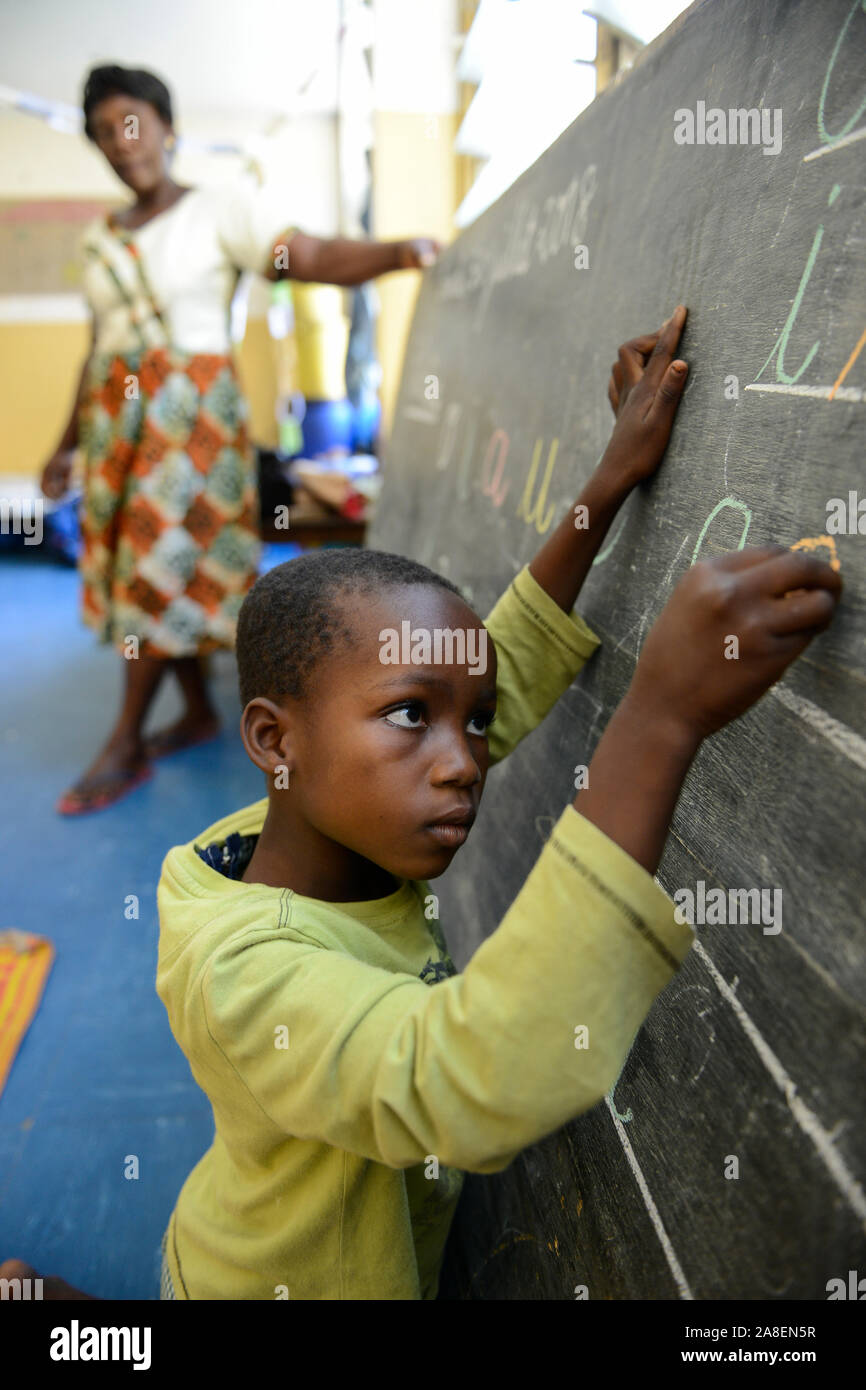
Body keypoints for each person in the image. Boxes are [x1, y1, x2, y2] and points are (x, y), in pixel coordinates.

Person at [5, 308, 841, 1298]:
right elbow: (466, 1081)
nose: (462, 763)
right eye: (410, 714)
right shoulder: (245, 973)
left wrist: (611, 478)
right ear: (274, 739)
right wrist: (660, 718)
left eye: (475, 724)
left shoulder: (324, 817)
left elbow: (499, 665)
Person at [40, 64, 439, 815]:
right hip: (118, 426)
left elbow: (306, 258)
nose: (121, 141)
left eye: (132, 122)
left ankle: (125, 740)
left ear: (167, 128)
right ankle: (197, 713)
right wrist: (66, 446)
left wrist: (396, 254)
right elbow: (98, 349)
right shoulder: (99, 240)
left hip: (189, 426)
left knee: (160, 571)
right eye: (103, 132)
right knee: (150, 571)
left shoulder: (221, 210)